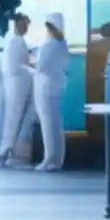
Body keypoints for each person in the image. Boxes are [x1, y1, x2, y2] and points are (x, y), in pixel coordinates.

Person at [0, 13, 34, 168]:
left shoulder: (17, 39)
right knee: (13, 117)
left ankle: (10, 151)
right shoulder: (13, 40)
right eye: (25, 25)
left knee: (16, 117)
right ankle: (5, 152)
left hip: (20, 84)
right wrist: (33, 70)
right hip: (16, 85)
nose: (26, 28)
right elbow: (14, 66)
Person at [33, 12, 71, 172]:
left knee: (47, 125)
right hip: (57, 87)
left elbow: (40, 66)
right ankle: (57, 159)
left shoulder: (49, 45)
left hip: (45, 88)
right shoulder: (62, 44)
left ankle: (48, 159)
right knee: (56, 124)